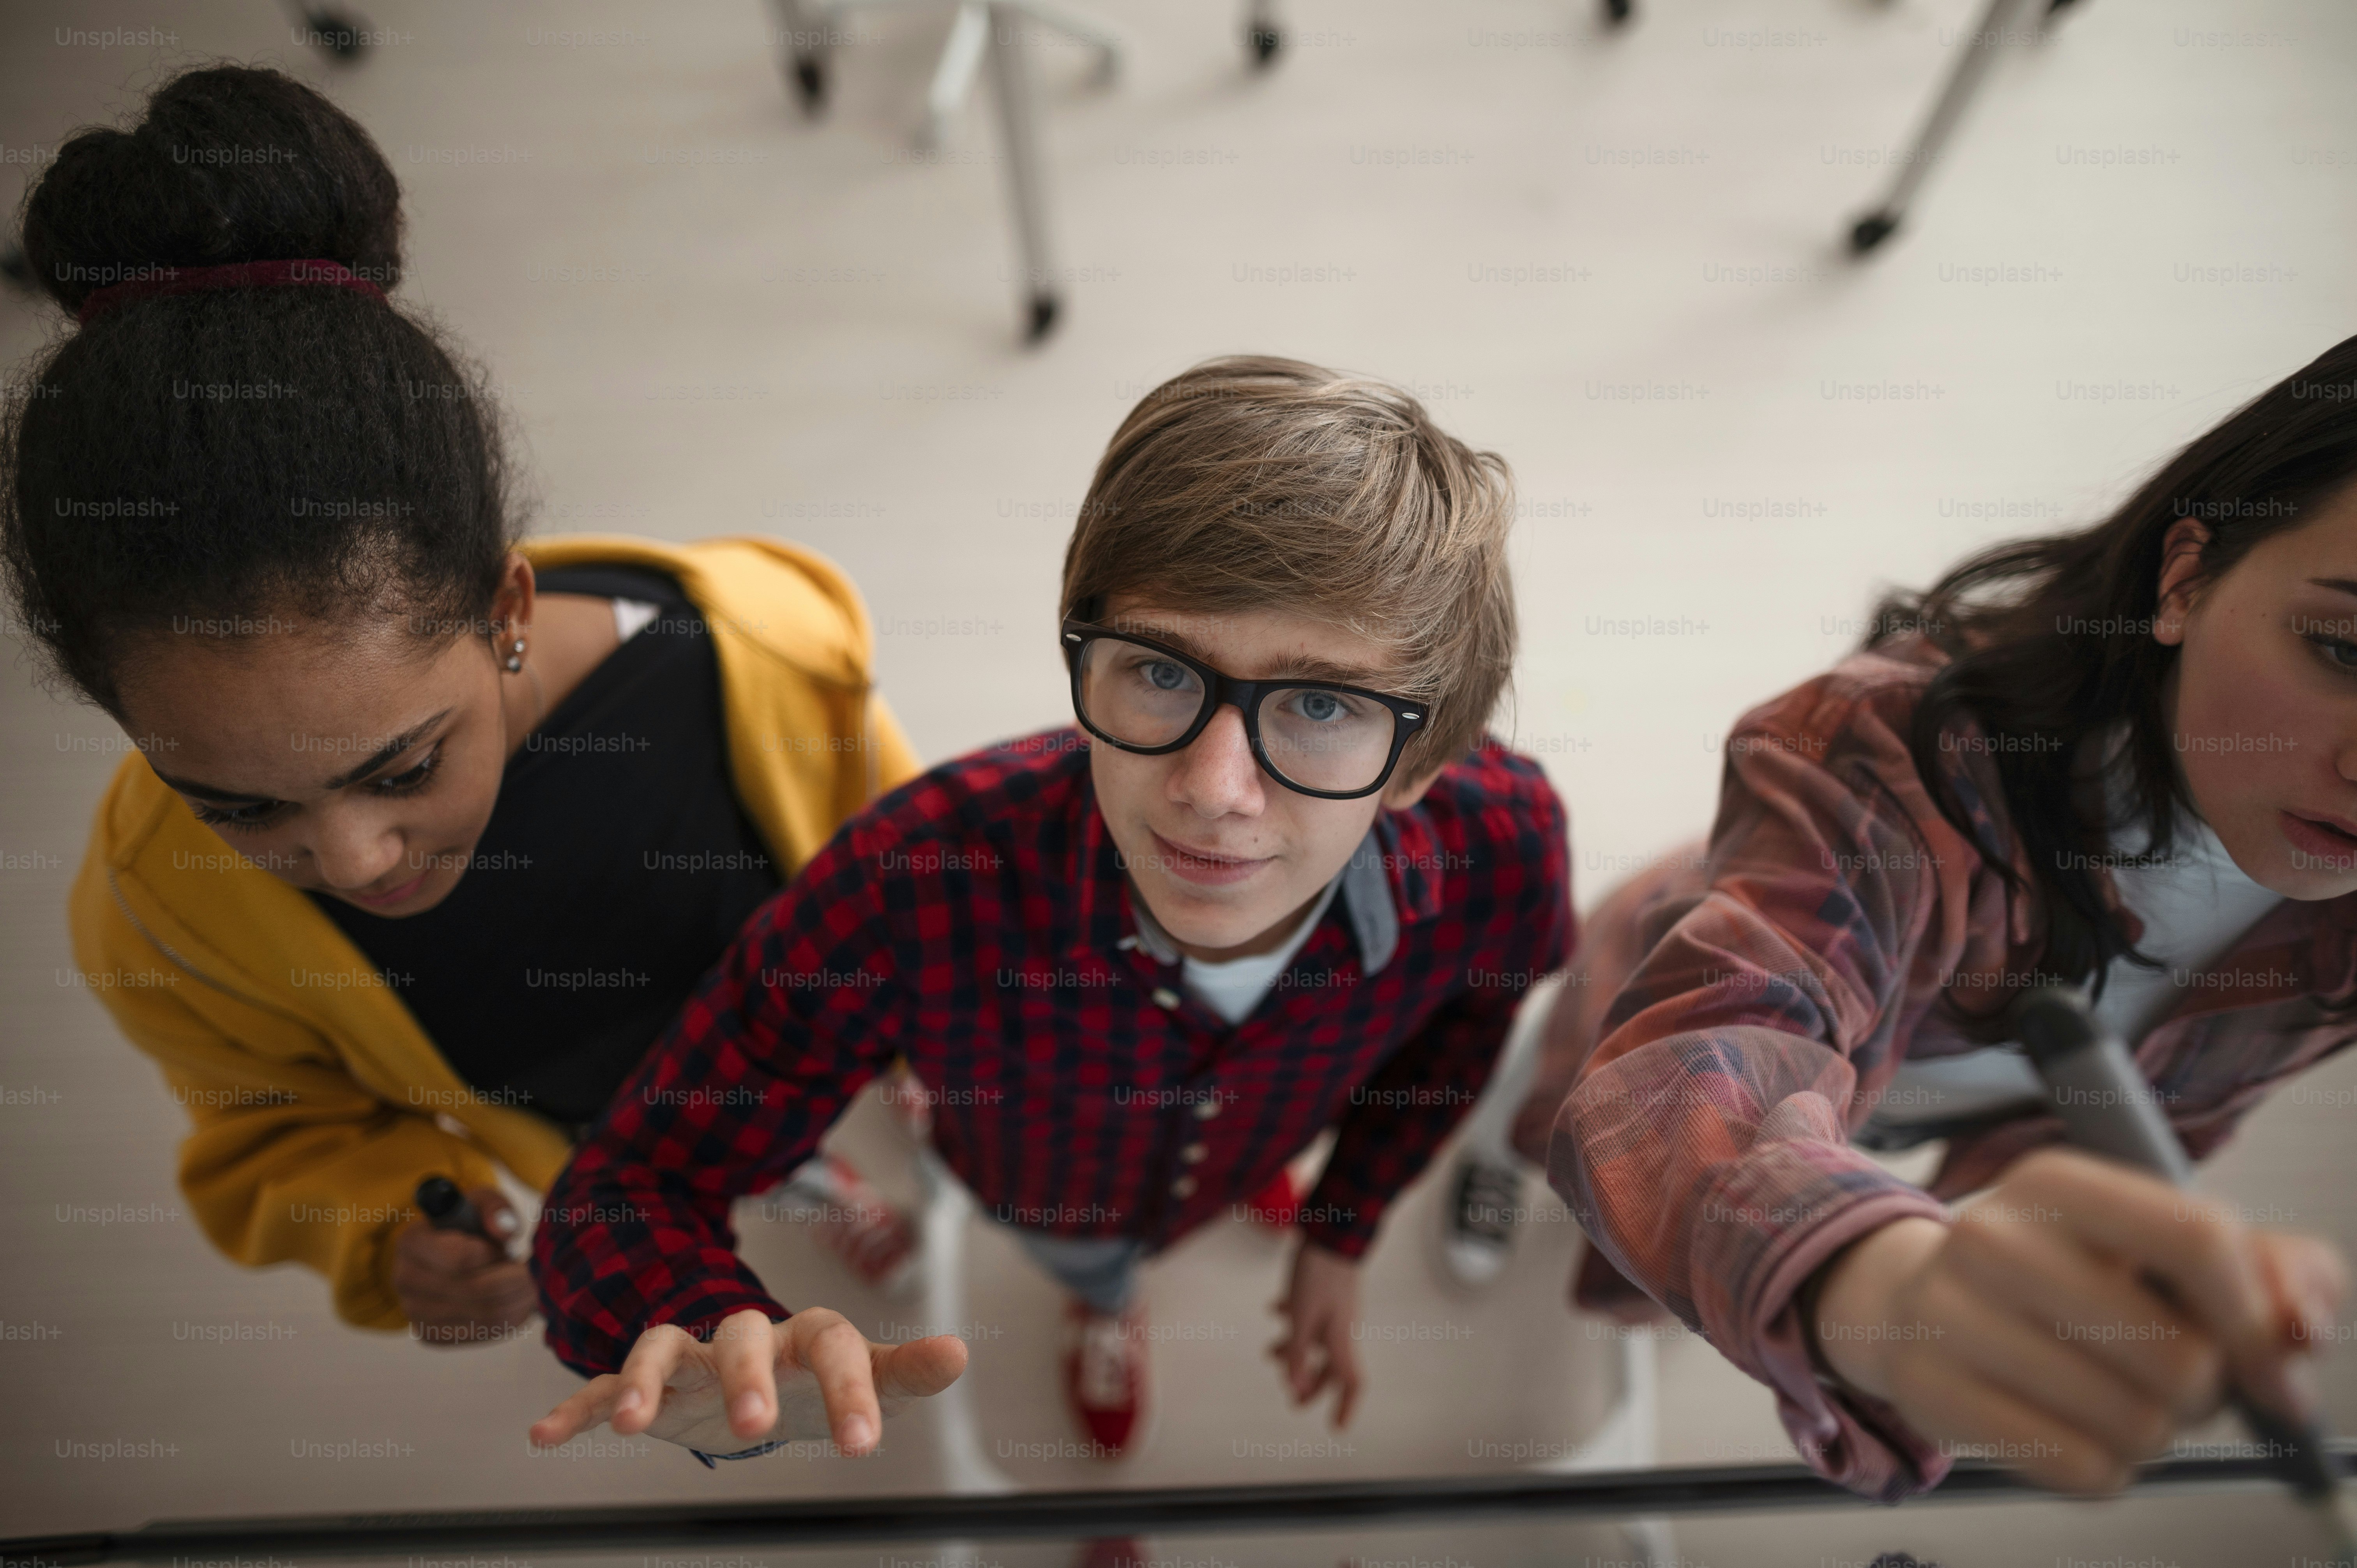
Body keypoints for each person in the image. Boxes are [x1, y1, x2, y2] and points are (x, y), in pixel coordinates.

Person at [7, 64, 922, 1346]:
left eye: (401, 769)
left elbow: (887, 842)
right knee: (729, 1159)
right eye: (236, 806)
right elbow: (274, 1129)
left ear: (504, 609)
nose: (349, 861)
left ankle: (824, 1137)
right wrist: (393, 1232)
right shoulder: (155, 915)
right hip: (578, 1118)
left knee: (804, 1084)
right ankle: (810, 1184)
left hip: (790, 1005)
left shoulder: (758, 651)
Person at [525, 357, 1575, 1466]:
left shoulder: (1502, 848)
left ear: (1426, 763)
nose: (1215, 790)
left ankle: (1242, 1167)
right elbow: (632, 1181)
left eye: (1322, 704)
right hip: (1052, 1187)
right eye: (1163, 673)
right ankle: (1101, 1299)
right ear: (1085, 646)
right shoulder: (915, 880)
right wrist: (693, 1326)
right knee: (1089, 1255)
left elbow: (1470, 1023)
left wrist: (1343, 1220)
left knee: (1240, 1136)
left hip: (1282, 1111)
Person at [1488, 335, 2357, 1500]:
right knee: (1559, 1108)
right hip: (1679, 983)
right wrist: (1883, 1289)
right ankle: (1493, 1144)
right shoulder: (1889, 747)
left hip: (1896, 1123)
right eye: (2345, 650)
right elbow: (1681, 1073)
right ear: (2184, 579)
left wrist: (2040, 1244)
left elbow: (2169, 1104)